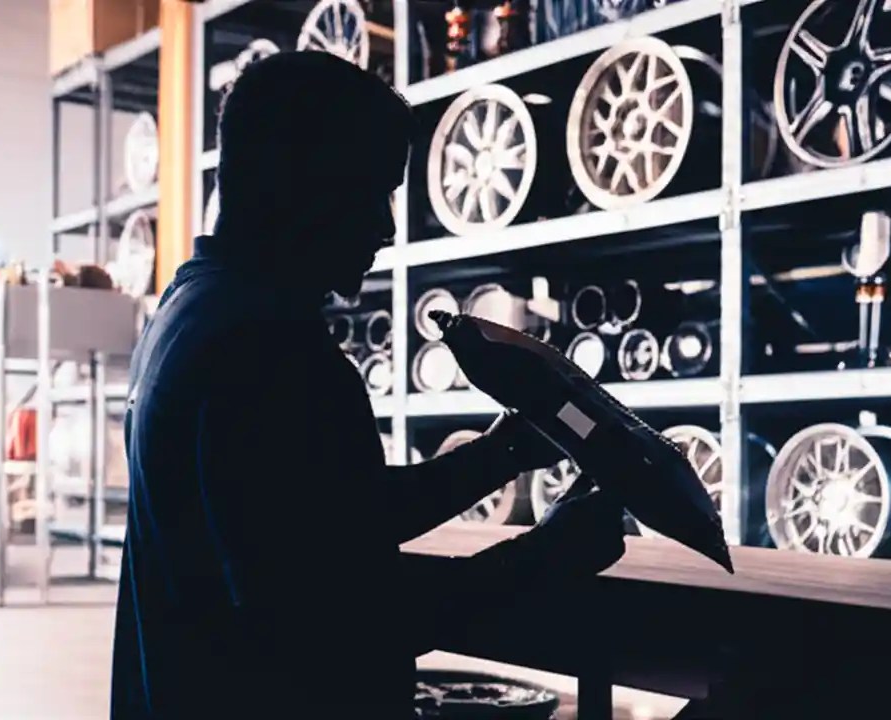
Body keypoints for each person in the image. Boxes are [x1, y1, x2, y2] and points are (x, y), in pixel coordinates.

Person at [110, 51, 628, 719]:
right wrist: (547, 556)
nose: (386, 227)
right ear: (296, 181)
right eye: (371, 192)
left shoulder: (193, 312)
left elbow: (325, 518)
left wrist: (503, 455)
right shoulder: (273, 354)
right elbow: (341, 619)